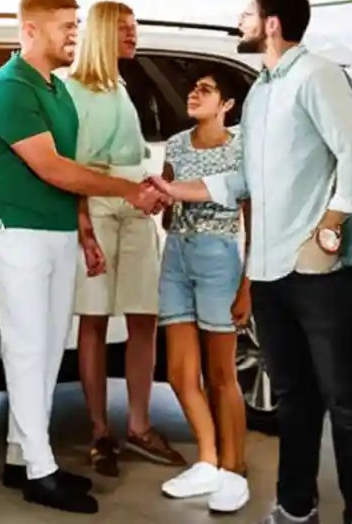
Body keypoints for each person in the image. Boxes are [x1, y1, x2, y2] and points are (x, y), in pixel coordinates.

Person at [147, 0, 352, 524]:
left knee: (344, 398)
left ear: (272, 23)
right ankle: (297, 507)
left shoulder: (318, 77)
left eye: (248, 13)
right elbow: (242, 178)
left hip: (318, 270)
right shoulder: (263, 91)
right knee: (294, 398)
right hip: (271, 271)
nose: (241, 21)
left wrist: (330, 226)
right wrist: (175, 189)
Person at [0, 0, 168, 514]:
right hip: (17, 229)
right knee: (26, 346)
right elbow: (54, 168)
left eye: (77, 24)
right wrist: (126, 190)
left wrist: (84, 227)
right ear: (30, 30)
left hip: (58, 228)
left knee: (44, 348)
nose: (74, 35)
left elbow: (74, 164)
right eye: (66, 26)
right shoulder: (11, 89)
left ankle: (22, 456)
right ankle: (41, 471)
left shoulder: (56, 91)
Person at [62, 1, 186, 477]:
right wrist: (85, 230)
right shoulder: (72, 91)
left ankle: (139, 425)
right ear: (102, 35)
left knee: (143, 316)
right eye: (126, 30)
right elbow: (72, 169)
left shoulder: (121, 86)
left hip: (135, 206)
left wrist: (155, 187)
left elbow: (130, 157)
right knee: (93, 319)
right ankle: (99, 432)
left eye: (136, 29)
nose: (135, 37)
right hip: (97, 206)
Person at [156, 65, 252, 513]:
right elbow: (168, 207)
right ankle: (209, 461)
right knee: (179, 373)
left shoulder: (241, 151)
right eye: (193, 88)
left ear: (227, 105)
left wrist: (247, 283)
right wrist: (158, 198)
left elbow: (254, 218)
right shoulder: (176, 144)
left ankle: (235, 470)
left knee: (221, 376)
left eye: (206, 90)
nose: (194, 94)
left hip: (218, 257)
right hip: (175, 254)